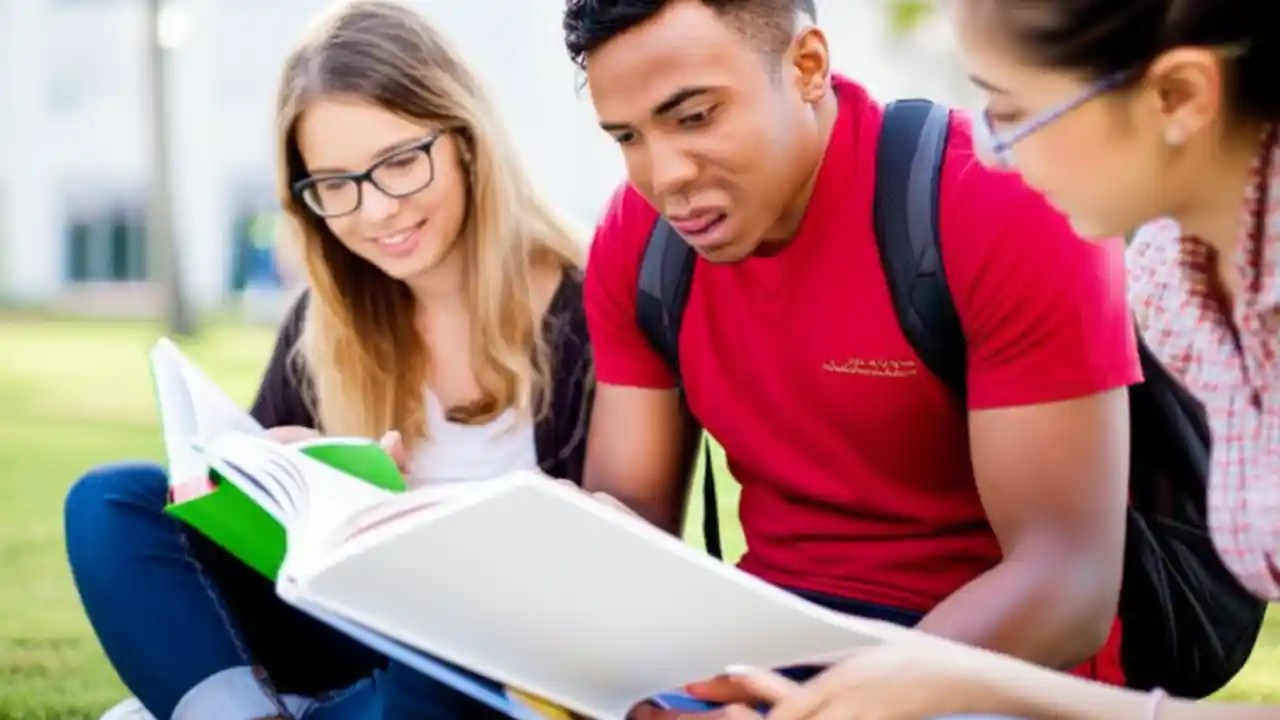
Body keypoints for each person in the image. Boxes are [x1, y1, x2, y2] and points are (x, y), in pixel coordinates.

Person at [680, 1, 1280, 718]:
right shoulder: (1171, 278)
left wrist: (947, 685)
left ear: (1177, 97)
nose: (993, 151)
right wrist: (931, 684)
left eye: (1013, 109)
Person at [562, 0, 1143, 705]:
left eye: (695, 118)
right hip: (767, 645)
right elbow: (628, 526)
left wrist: (817, 708)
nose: (665, 176)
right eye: (627, 136)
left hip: (994, 666)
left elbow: (1067, 584)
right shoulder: (638, 242)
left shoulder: (996, 203)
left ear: (807, 66)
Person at [64, 1, 591, 718]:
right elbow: (248, 550)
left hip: (479, 661)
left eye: (400, 162)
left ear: (467, 140)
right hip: (336, 636)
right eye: (335, 184)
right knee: (110, 498)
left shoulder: (586, 308)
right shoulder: (324, 322)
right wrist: (277, 470)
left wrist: (414, 527)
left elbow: (605, 571)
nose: (375, 213)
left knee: (440, 683)